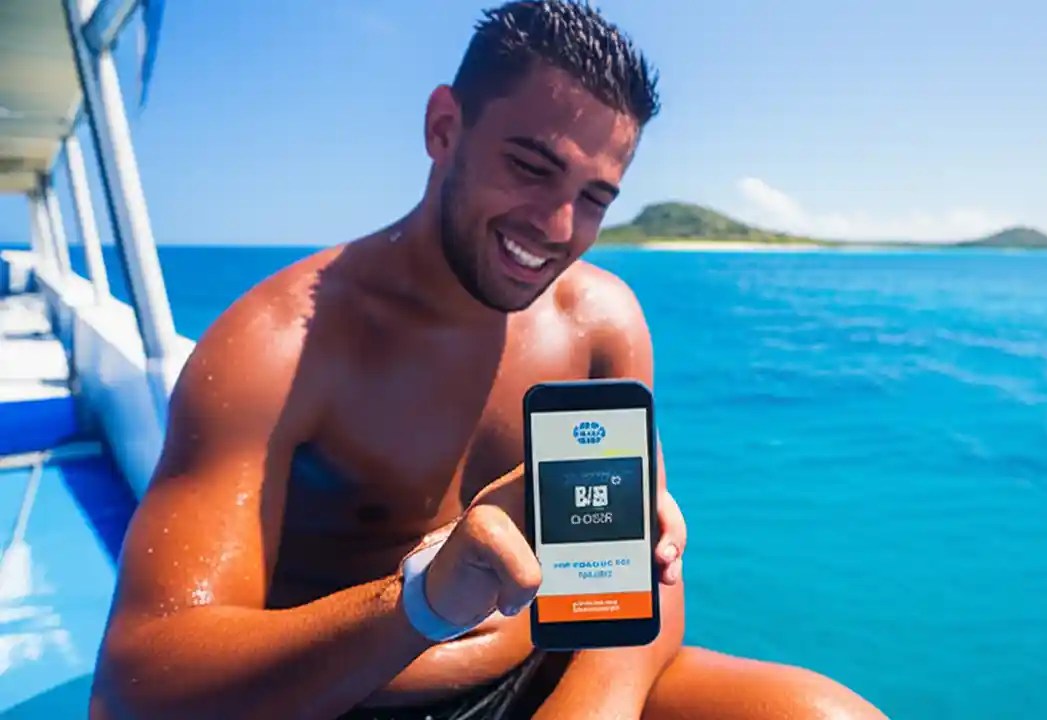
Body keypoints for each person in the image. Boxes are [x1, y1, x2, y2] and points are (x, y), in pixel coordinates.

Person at [90, 2, 886, 718]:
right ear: (444, 128)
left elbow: (641, 585)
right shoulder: (279, 350)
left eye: (595, 197)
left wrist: (589, 710)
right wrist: (421, 603)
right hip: (345, 697)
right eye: (531, 169)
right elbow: (136, 693)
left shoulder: (599, 325)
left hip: (547, 678)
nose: (555, 224)